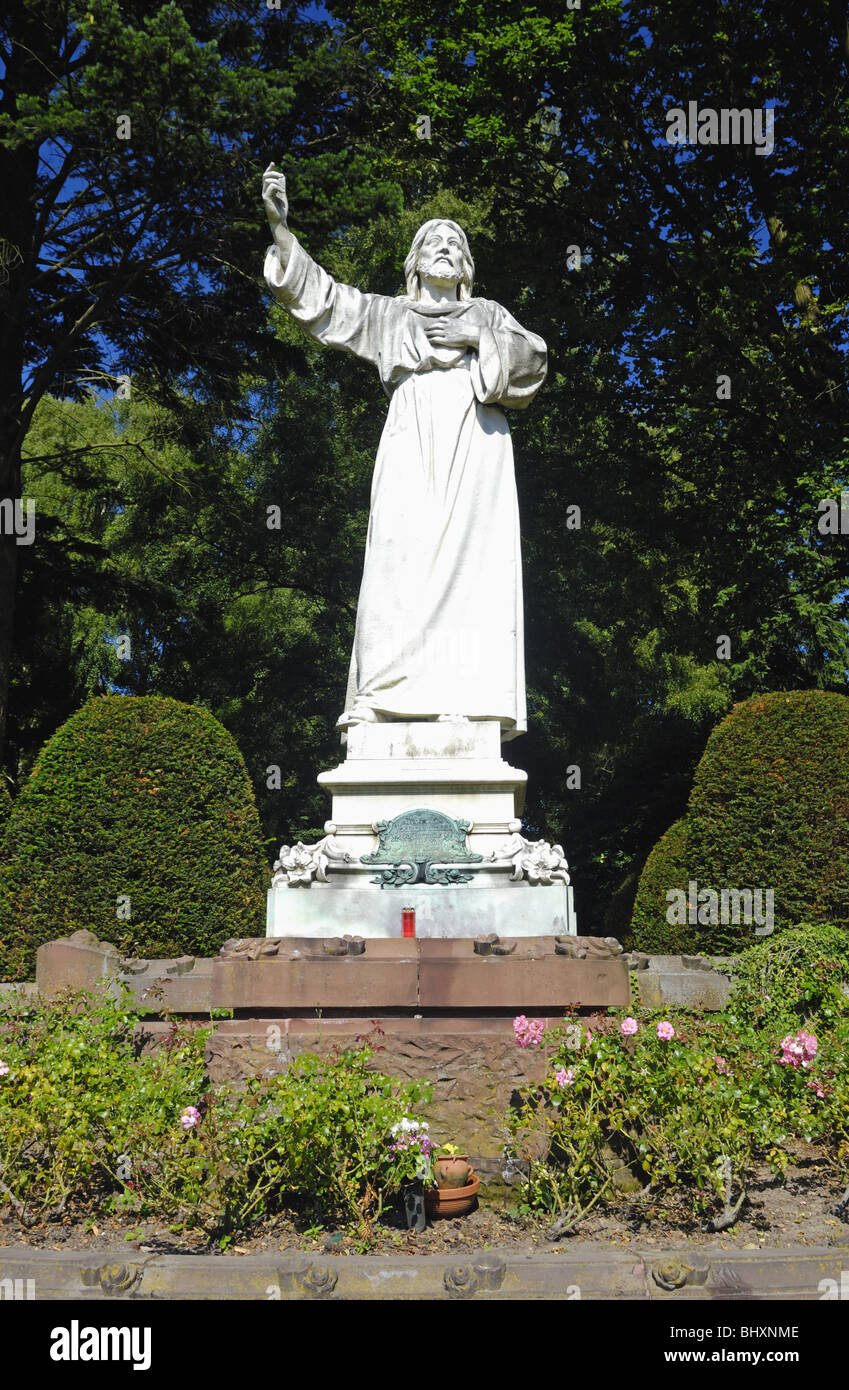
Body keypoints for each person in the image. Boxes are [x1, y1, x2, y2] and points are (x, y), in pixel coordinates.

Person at [262, 165, 547, 742]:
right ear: (415, 264)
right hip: (411, 443)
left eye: (454, 246)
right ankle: (380, 697)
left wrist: (475, 339)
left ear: (465, 269)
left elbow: (534, 361)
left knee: (473, 570)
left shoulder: (489, 314)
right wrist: (282, 231)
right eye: (433, 244)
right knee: (397, 558)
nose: (444, 251)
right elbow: (329, 305)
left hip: (476, 451)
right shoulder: (393, 316)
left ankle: (464, 698)